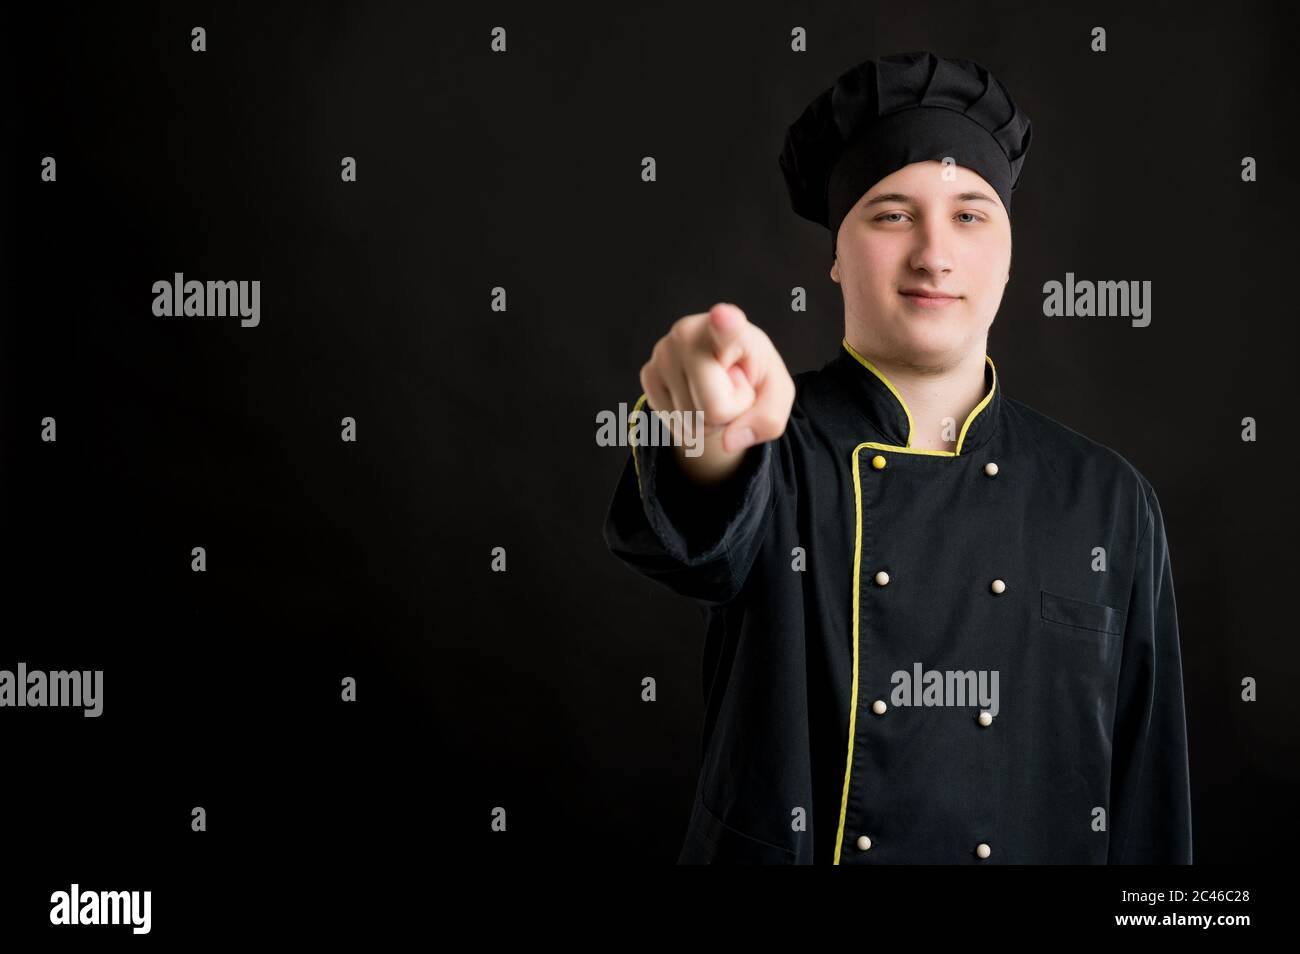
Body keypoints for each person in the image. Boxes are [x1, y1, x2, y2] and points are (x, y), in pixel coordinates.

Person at [602, 51, 1192, 864]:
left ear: (1010, 253)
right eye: (891, 214)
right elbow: (699, 524)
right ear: (837, 255)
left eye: (971, 214)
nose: (934, 255)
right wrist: (705, 434)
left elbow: (1149, 806)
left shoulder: (1108, 499)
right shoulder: (775, 448)